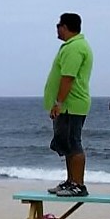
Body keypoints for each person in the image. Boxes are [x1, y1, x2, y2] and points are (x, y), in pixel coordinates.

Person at [44, 12, 94, 197]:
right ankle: (70, 181)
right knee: (66, 143)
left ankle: (78, 185)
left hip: (71, 104)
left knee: (73, 142)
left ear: (65, 27)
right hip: (67, 105)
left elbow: (68, 78)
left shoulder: (75, 47)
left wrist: (58, 102)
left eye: (59, 25)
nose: (57, 28)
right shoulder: (72, 46)